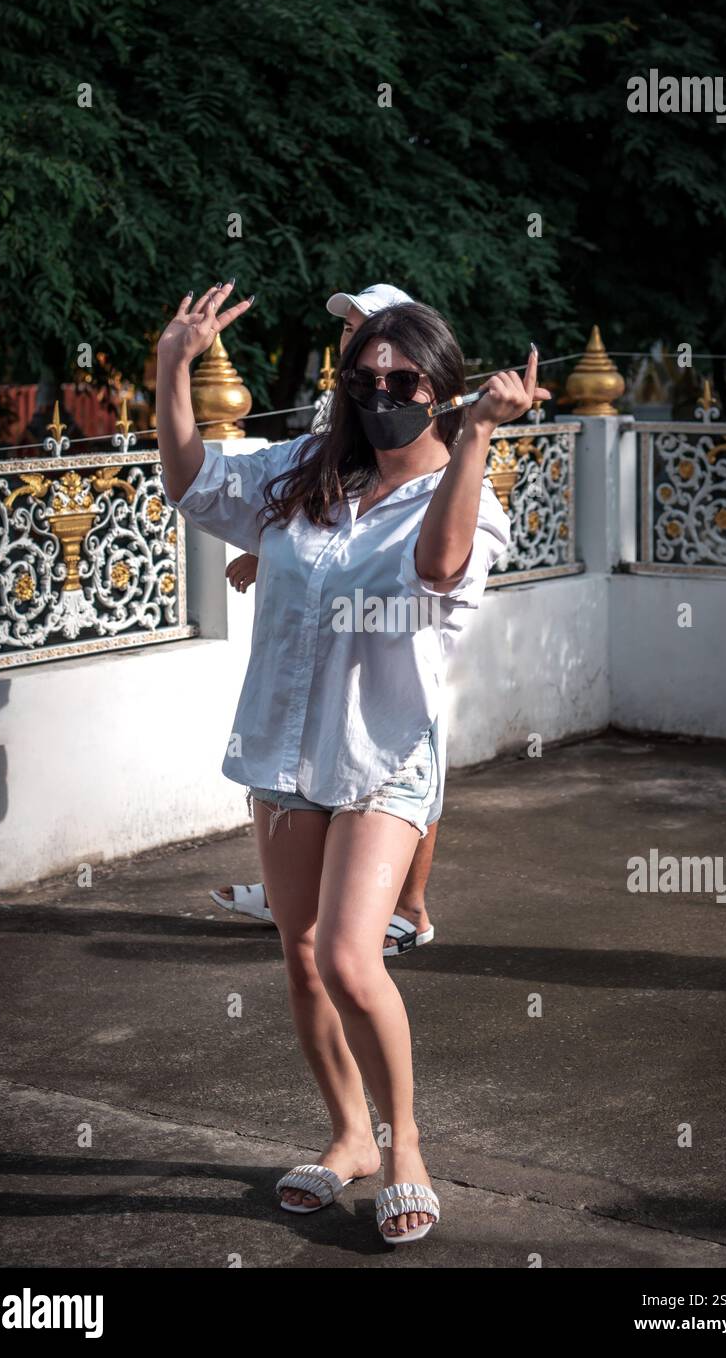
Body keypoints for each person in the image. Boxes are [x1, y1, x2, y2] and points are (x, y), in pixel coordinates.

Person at [156, 279, 548, 1243]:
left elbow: (437, 568)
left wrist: (479, 437)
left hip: (382, 755)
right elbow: (192, 482)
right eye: (362, 374)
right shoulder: (303, 470)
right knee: (297, 960)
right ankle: (347, 1140)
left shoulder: (460, 489)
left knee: (345, 953)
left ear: (439, 386)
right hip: (286, 747)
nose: (379, 389)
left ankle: (403, 1142)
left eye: (402, 377)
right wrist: (171, 367)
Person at [211, 284, 436, 955]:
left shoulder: (413, 416)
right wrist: (267, 550)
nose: (356, 340)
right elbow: (320, 507)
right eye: (351, 331)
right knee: (312, 768)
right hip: (328, 635)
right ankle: (301, 890)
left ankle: (410, 908)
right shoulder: (343, 405)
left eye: (370, 328)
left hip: (403, 626)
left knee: (405, 769)